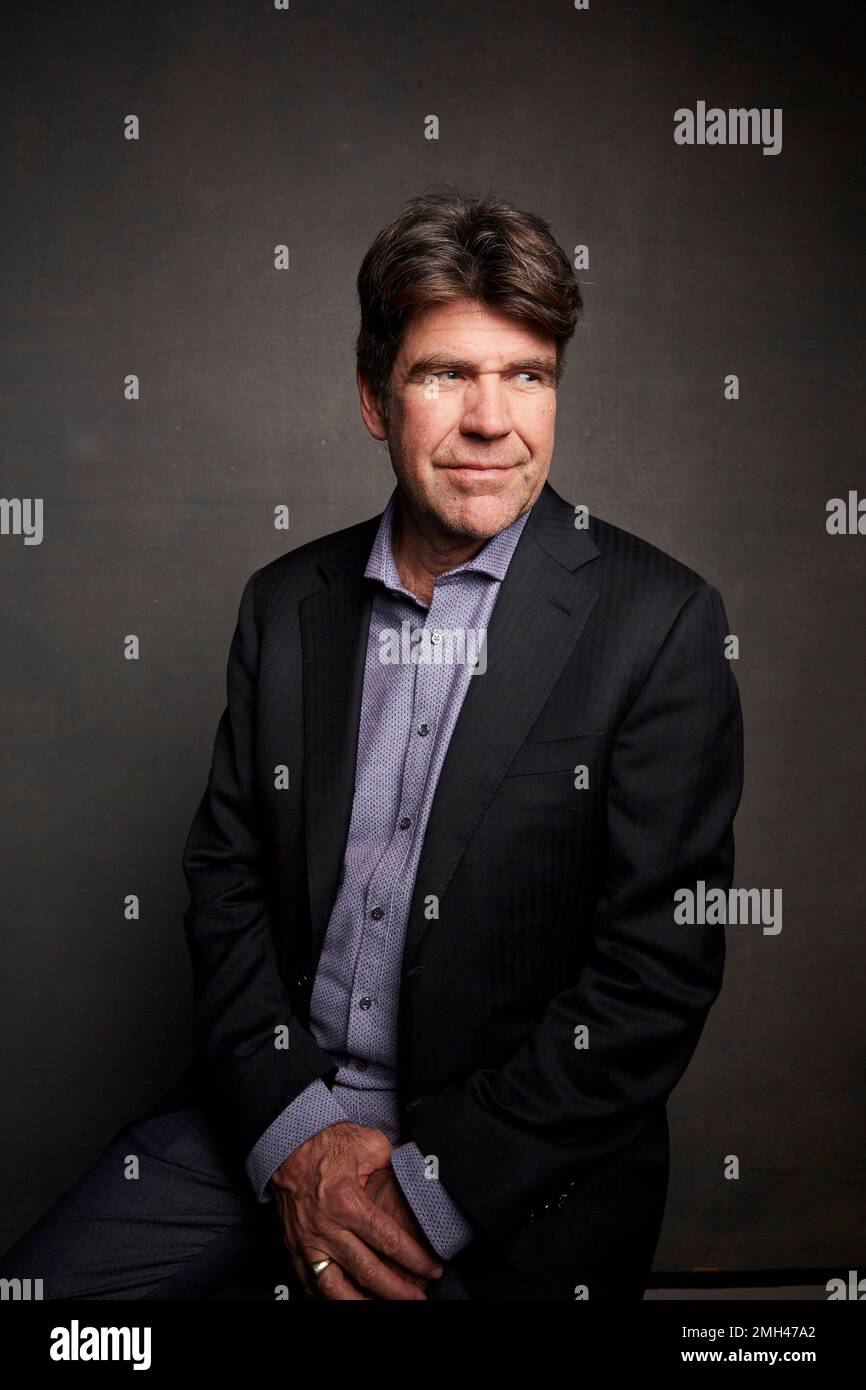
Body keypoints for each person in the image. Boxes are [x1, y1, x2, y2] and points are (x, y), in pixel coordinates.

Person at [0, 189, 743, 1301]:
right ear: (372, 396)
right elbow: (227, 880)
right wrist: (299, 1138)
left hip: (510, 1170)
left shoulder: (658, 621)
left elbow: (651, 980)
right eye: (445, 373)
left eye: (527, 375)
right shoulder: (286, 604)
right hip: (269, 1113)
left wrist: (424, 1191)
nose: (491, 420)